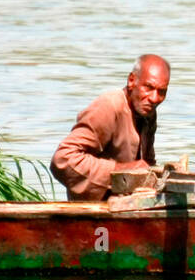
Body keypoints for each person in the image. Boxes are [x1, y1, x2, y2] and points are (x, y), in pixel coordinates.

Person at [49, 54, 170, 201]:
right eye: (149, 87)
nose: (154, 98)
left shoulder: (147, 112)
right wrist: (122, 170)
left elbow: (146, 164)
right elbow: (62, 159)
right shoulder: (109, 107)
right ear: (131, 81)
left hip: (126, 206)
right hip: (94, 211)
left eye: (161, 92)